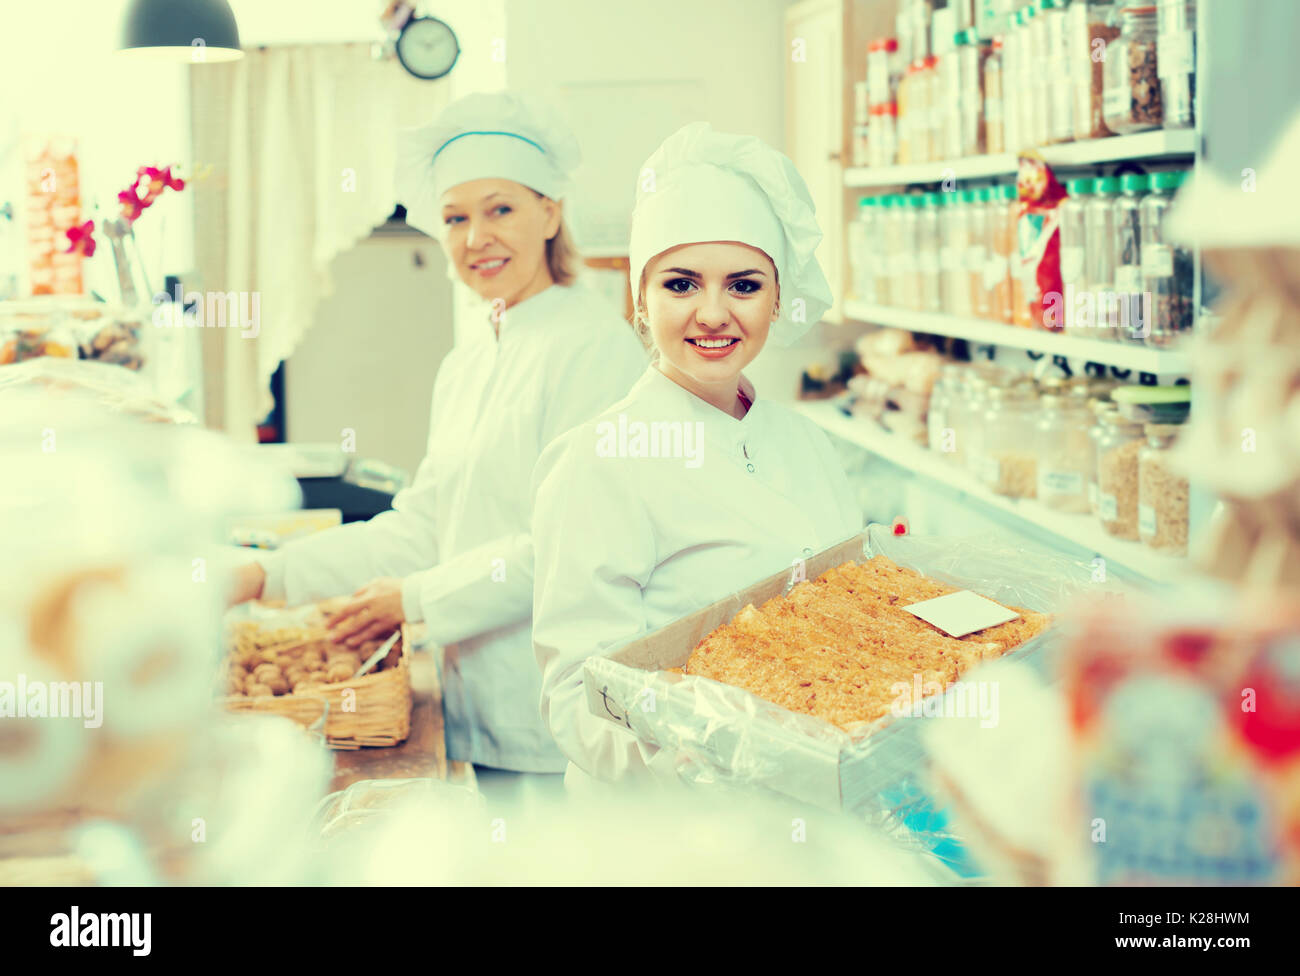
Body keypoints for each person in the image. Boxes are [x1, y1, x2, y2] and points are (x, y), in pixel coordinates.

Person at [228, 91, 647, 773]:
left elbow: (573, 549)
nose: (475, 237)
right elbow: (424, 526)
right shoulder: (469, 357)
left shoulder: (594, 349)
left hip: (553, 720)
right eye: (455, 218)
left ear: (551, 212)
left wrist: (416, 598)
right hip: (469, 702)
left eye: (499, 209)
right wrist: (264, 575)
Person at [530, 122, 864, 785]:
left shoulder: (807, 443)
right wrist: (679, 765)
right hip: (673, 827)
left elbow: (851, 613)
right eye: (681, 285)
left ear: (776, 300)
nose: (713, 313)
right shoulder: (600, 462)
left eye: (744, 286)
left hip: (812, 794)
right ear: (642, 301)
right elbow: (575, 691)